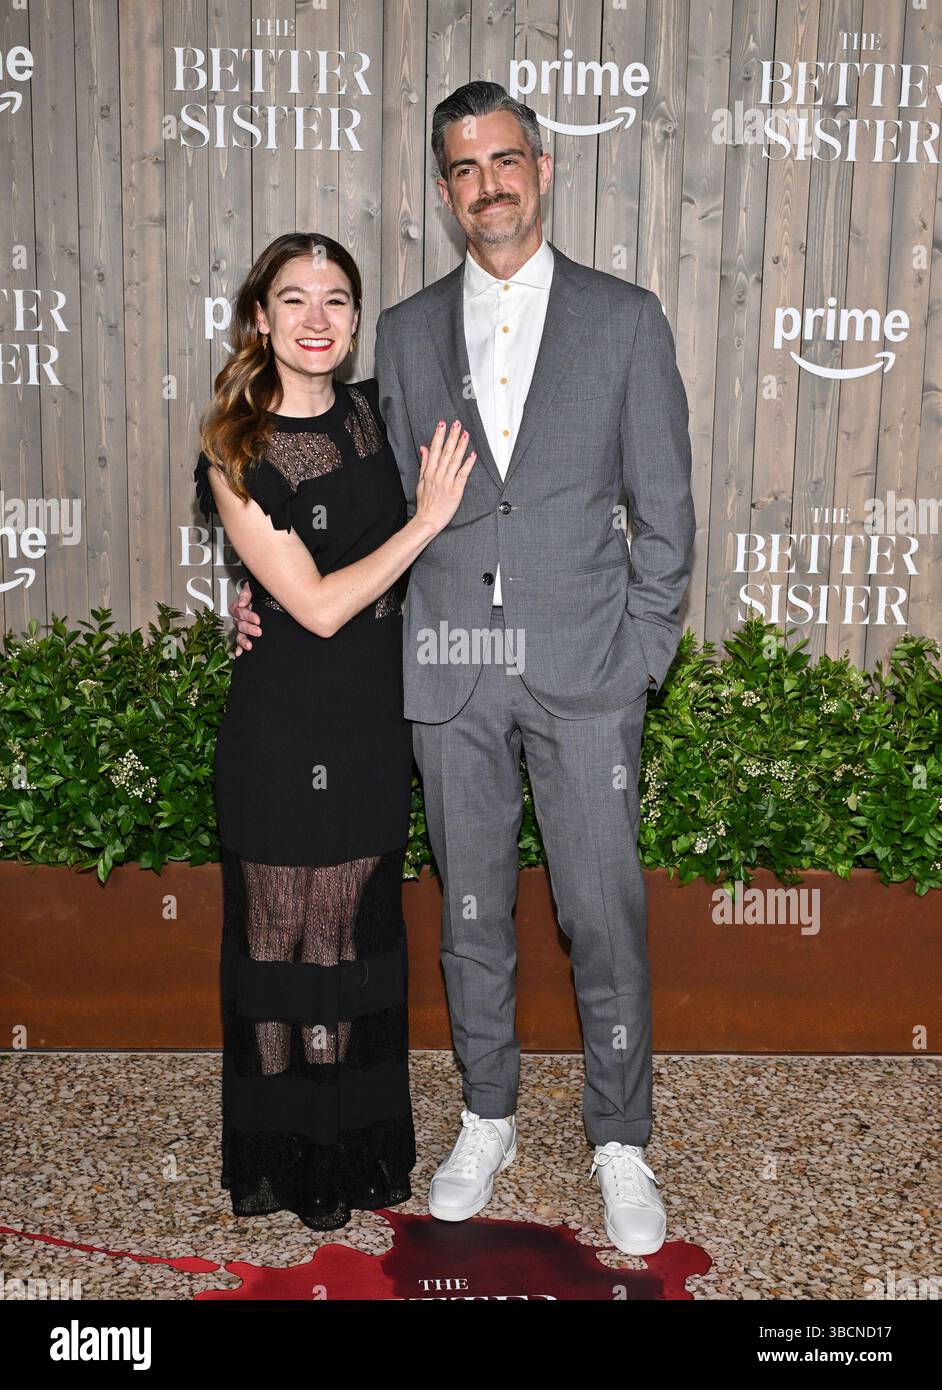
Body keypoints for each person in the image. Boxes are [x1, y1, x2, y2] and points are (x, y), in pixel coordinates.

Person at [232, 81, 696, 1257]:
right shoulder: (408, 328)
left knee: (603, 913)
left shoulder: (626, 317)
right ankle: (487, 1113)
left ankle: (620, 1138)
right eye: (460, 167)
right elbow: (354, 502)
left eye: (503, 160)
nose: (485, 182)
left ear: (541, 167)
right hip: (448, 674)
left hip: (586, 672)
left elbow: (671, 517)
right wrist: (262, 604)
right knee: (472, 917)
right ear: (444, 190)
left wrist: (636, 661)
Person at [194, 231, 474, 1231]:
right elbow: (312, 606)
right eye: (296, 300)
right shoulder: (236, 448)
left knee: (353, 936)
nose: (318, 320)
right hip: (283, 721)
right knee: (280, 939)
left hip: (367, 718)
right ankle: (287, 1160)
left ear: (356, 322)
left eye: (338, 301)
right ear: (260, 316)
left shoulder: (370, 416)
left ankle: (357, 1146)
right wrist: (426, 520)